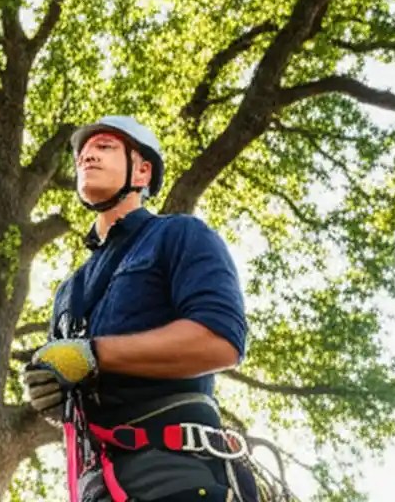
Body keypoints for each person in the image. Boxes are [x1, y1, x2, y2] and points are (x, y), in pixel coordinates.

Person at [23, 115, 255, 502]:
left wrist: (94, 354)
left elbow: (221, 341)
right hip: (97, 484)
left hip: (174, 475)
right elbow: (75, 391)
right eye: (82, 153)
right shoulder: (68, 293)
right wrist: (53, 397)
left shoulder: (179, 235)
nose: (87, 157)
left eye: (105, 147)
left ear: (143, 171)